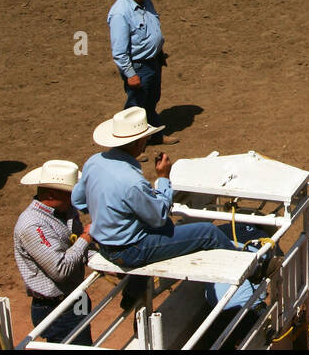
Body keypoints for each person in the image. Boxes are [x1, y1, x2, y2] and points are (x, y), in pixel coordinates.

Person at [72, 107, 234, 279]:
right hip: (130, 250)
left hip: (104, 242)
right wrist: (163, 177)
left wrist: (108, 213)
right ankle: (249, 271)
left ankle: (134, 292)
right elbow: (159, 217)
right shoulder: (132, 181)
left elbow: (79, 200)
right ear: (138, 142)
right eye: (146, 137)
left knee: (166, 228)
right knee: (207, 232)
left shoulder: (94, 162)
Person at [14, 160, 93, 344]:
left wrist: (103, 261)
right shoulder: (33, 225)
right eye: (70, 194)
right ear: (51, 195)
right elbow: (60, 270)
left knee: (84, 345)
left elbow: (77, 248)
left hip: (74, 298)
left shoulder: (65, 210)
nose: (75, 198)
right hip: (56, 307)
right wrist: (86, 238)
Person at [108, 0, 175, 144]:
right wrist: (130, 74)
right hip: (138, 66)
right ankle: (128, 144)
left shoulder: (146, 2)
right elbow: (119, 50)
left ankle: (154, 135)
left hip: (153, 61)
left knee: (151, 101)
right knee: (135, 107)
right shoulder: (120, 13)